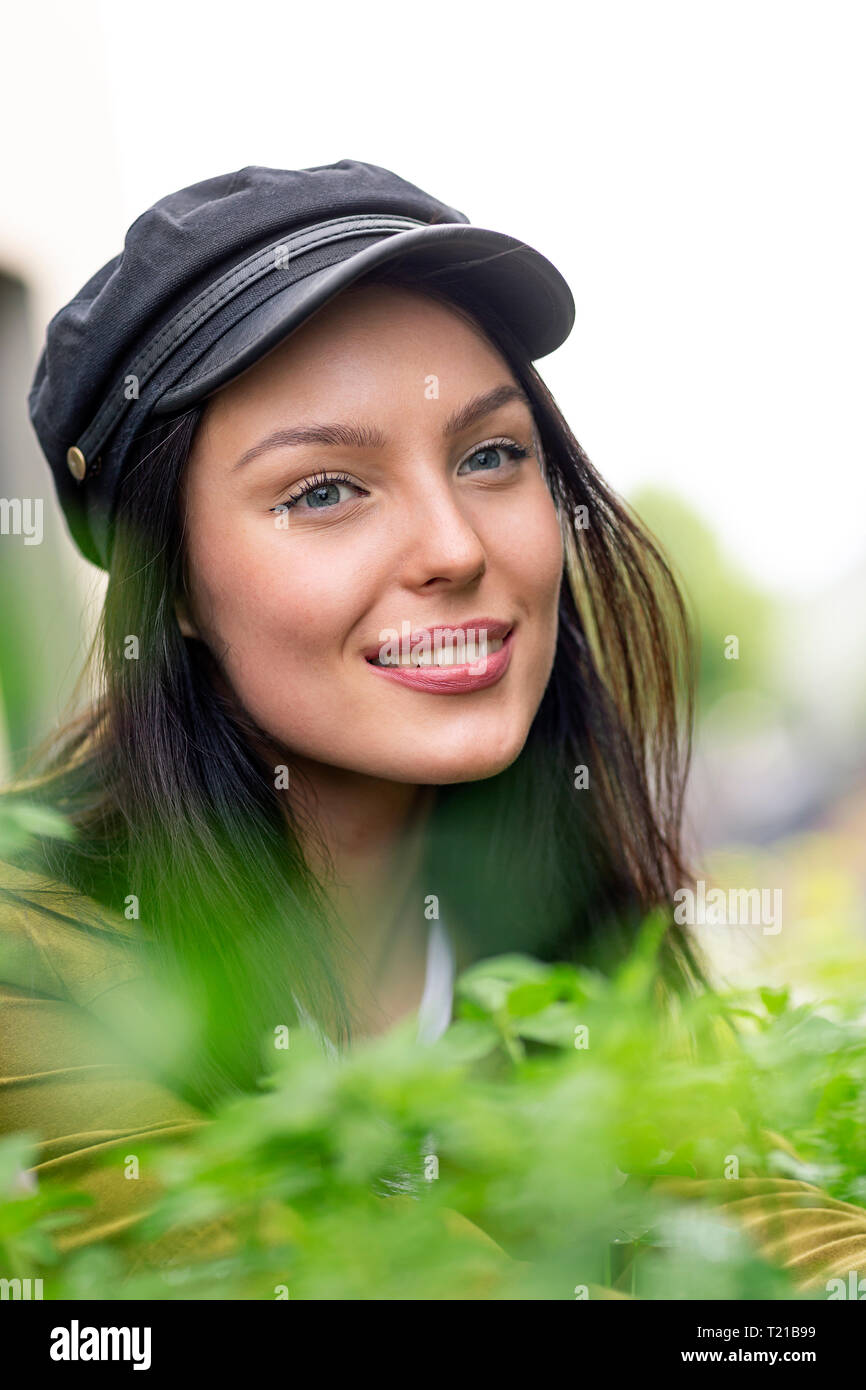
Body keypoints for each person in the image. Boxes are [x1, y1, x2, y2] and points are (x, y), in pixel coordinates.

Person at [2, 161, 864, 1292]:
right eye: (322, 490)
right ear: (171, 589)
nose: (455, 546)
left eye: (489, 456)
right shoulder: (35, 951)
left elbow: (757, 1227)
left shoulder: (567, 912)